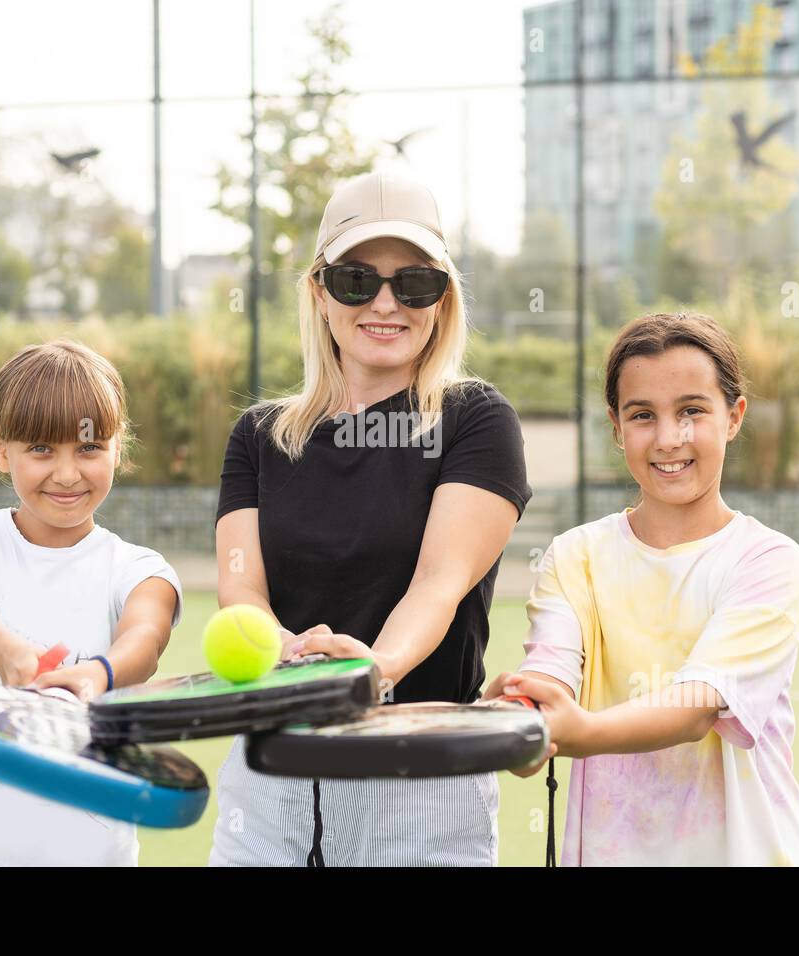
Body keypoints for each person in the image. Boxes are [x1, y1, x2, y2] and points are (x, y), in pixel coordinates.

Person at [210, 169, 531, 866]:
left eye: (414, 282)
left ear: (443, 300)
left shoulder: (476, 421)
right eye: (358, 279)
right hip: (272, 770)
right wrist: (292, 659)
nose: (386, 303)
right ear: (319, 292)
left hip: (421, 769)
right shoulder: (258, 436)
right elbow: (241, 591)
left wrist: (371, 671)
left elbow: (439, 584)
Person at [488, 312, 799, 866]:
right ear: (617, 427)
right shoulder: (575, 557)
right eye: (643, 415)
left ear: (733, 417)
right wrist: (518, 715)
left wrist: (580, 730)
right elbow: (545, 694)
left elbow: (695, 709)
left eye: (691, 411)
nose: (669, 439)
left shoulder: (769, 562)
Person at [0, 340, 183, 866]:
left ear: (117, 447)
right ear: (0, 447)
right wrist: (8, 652)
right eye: (40, 450)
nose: (68, 473)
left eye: (89, 448)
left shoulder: (139, 568)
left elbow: (146, 638)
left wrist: (98, 673)